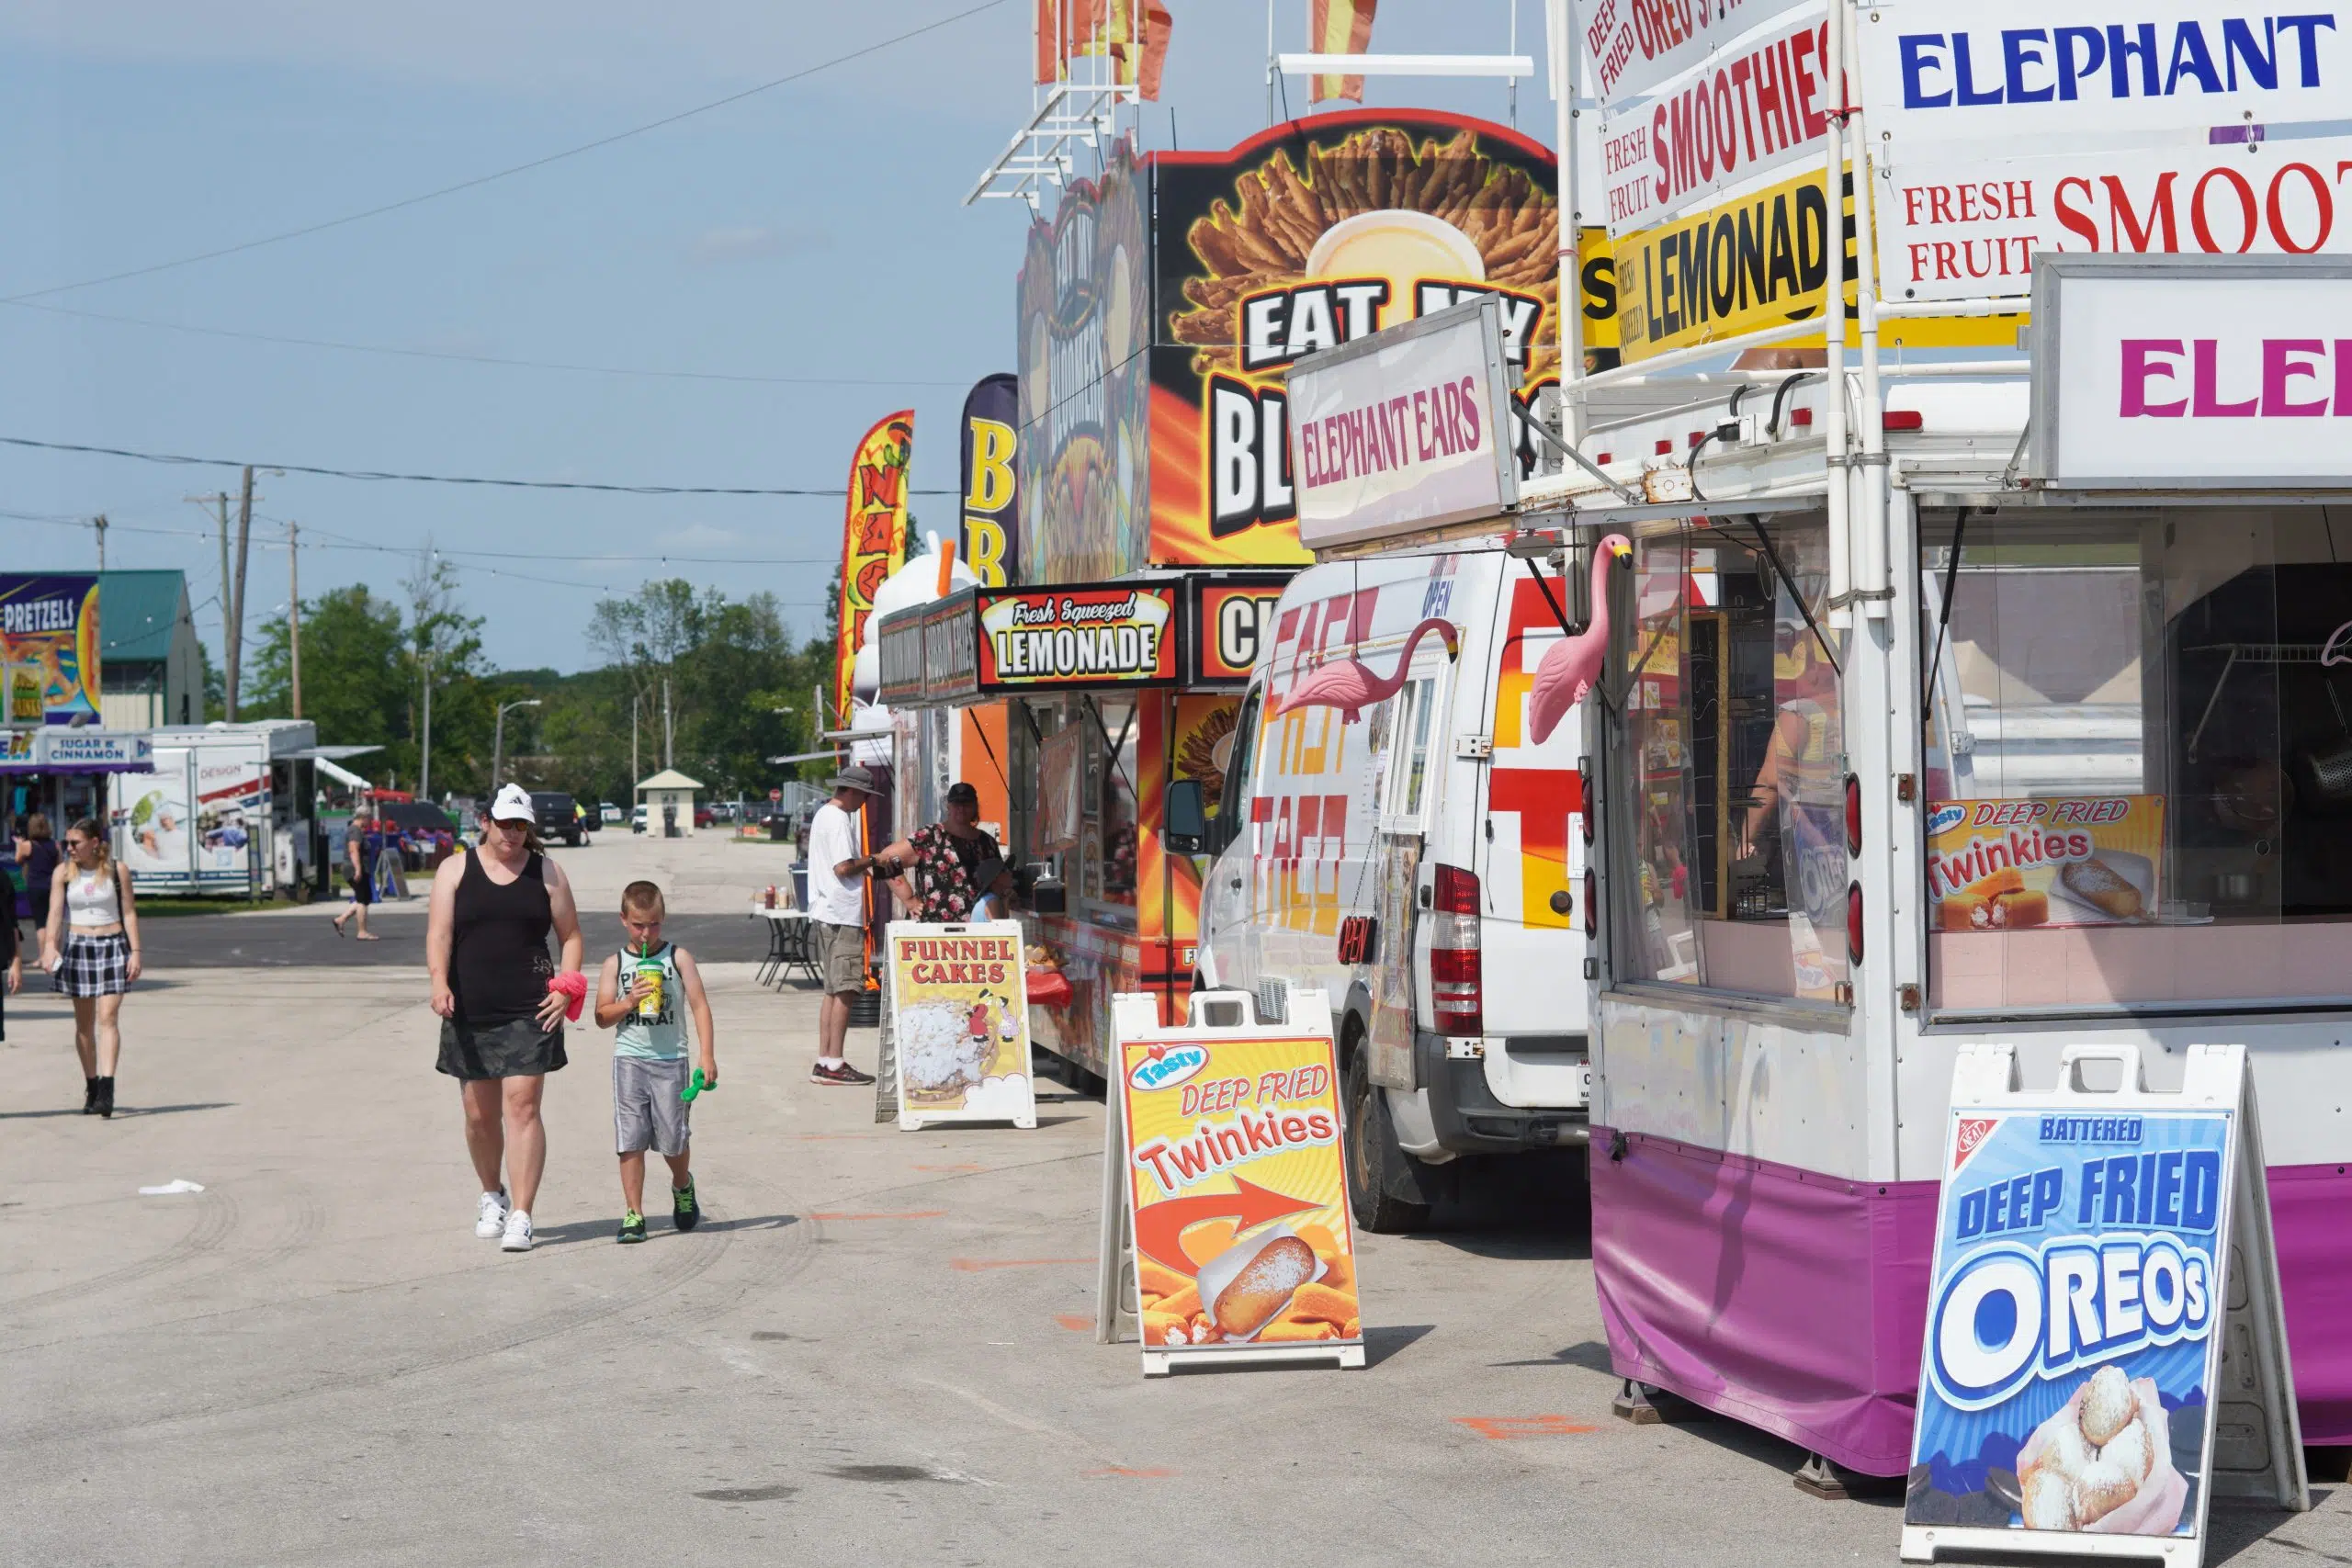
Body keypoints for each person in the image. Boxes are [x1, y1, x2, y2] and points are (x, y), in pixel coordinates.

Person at [426, 782, 584, 1253]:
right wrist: (439, 983)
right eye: (505, 824)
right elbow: (439, 934)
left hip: (530, 1008)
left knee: (523, 1107)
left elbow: (571, 936)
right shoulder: (455, 870)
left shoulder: (548, 873)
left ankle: (522, 1213)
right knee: (479, 1115)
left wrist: (567, 985)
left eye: (521, 825)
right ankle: (491, 1194)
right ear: (485, 821)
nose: (513, 834)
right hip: (470, 1008)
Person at [593, 880, 717, 1244]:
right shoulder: (615, 963)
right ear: (623, 920)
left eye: (654, 924)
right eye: (638, 925)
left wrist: (706, 1054)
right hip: (629, 1059)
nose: (646, 933)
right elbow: (601, 1016)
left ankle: (682, 1185)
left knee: (673, 1142)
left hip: (670, 1060)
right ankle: (634, 1214)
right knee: (630, 1139)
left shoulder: (678, 958)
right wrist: (629, 1001)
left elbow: (699, 1005)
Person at [41, 817, 141, 1117]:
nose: (69, 848)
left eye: (75, 843)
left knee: (108, 1017)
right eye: (66, 843)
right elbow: (55, 913)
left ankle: (108, 1090)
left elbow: (130, 913)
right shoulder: (63, 873)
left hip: (112, 946)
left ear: (94, 843)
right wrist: (49, 946)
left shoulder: (116, 870)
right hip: (79, 947)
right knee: (84, 1024)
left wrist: (135, 952)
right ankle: (92, 1085)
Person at [804, 767, 883, 1088]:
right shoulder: (838, 819)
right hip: (840, 912)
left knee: (833, 990)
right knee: (847, 989)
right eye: (863, 796)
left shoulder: (824, 814)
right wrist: (873, 860)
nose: (864, 802)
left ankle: (825, 1060)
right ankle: (835, 1062)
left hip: (827, 911)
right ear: (851, 791)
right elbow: (843, 867)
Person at [876, 781, 1001, 923]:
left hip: (976, 932)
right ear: (948, 806)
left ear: (975, 807)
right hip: (932, 931)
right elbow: (883, 860)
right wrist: (909, 899)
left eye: (966, 803)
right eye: (956, 804)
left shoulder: (987, 842)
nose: (961, 808)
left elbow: (999, 880)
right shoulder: (930, 836)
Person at [333, 809, 381, 941]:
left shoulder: (356, 830)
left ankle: (340, 919)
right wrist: (358, 869)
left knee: (364, 897)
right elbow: (353, 849)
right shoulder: (355, 831)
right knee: (362, 900)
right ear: (363, 817)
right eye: (369, 818)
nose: (370, 821)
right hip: (354, 868)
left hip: (355, 868)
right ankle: (362, 932)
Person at [16, 813, 59, 949]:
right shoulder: (55, 845)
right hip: (52, 886)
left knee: (40, 923)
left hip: (35, 886)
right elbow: (60, 865)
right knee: (53, 921)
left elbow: (18, 860)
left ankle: (42, 956)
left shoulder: (27, 845)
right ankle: (55, 952)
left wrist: (18, 845)